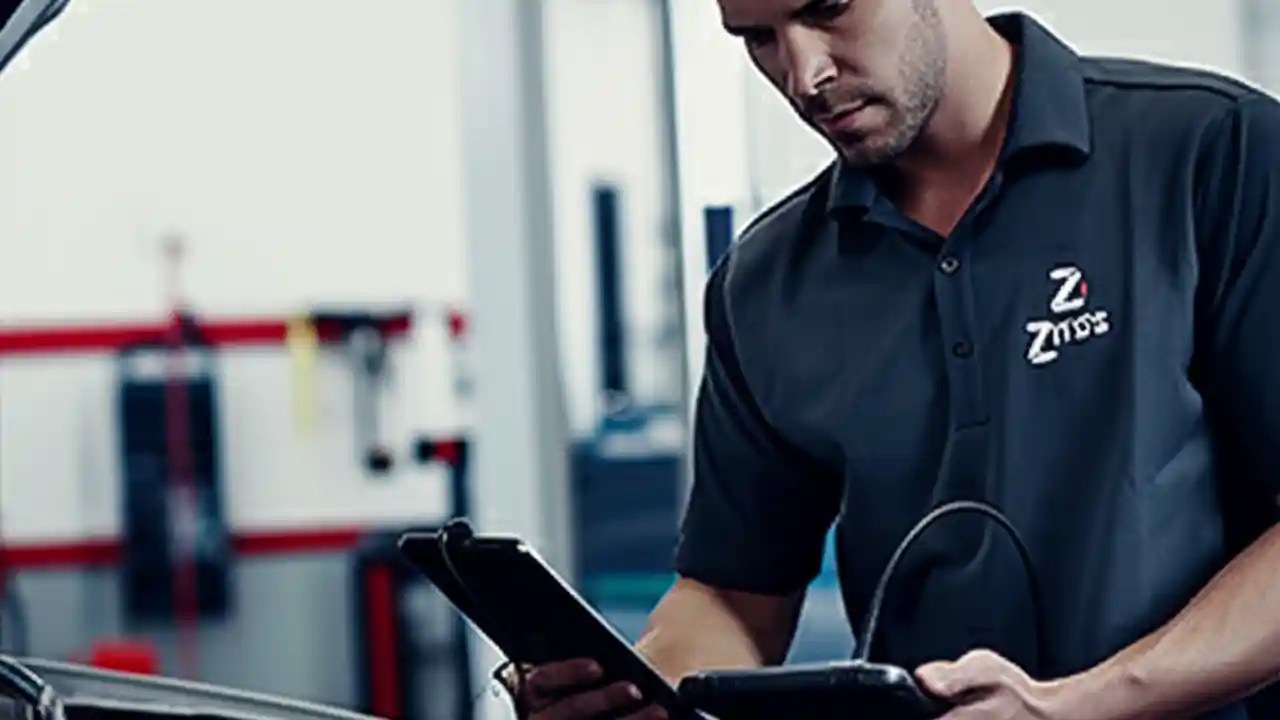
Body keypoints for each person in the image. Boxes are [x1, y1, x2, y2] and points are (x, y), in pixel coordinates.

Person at [510, 1, 1280, 718]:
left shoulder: (1216, 153)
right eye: (757, 37)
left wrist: (1085, 702)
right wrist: (638, 690)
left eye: (827, 9)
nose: (802, 74)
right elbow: (734, 596)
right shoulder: (766, 280)